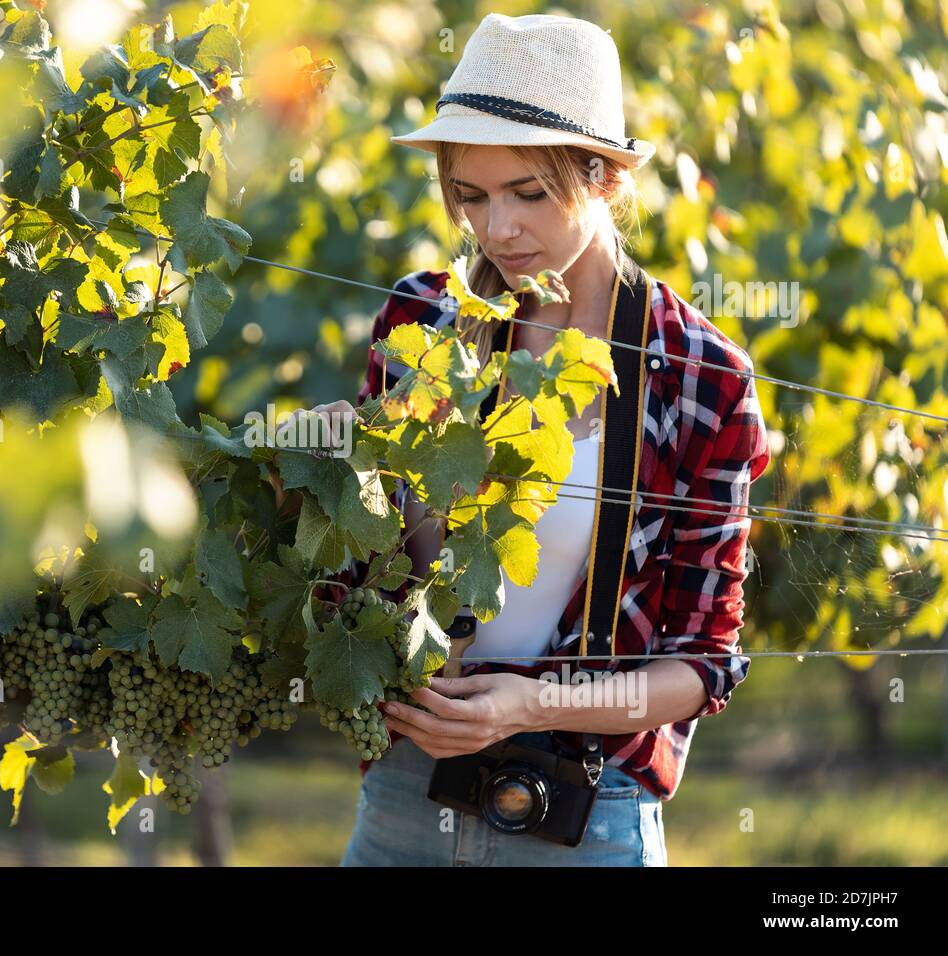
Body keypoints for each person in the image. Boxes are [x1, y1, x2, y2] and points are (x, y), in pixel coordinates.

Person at [304, 13, 772, 866]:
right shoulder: (424, 320)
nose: (498, 231)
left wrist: (522, 707)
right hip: (408, 787)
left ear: (602, 178)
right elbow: (371, 573)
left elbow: (703, 666)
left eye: (528, 193)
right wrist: (351, 477)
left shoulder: (704, 375)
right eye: (472, 197)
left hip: (584, 809)